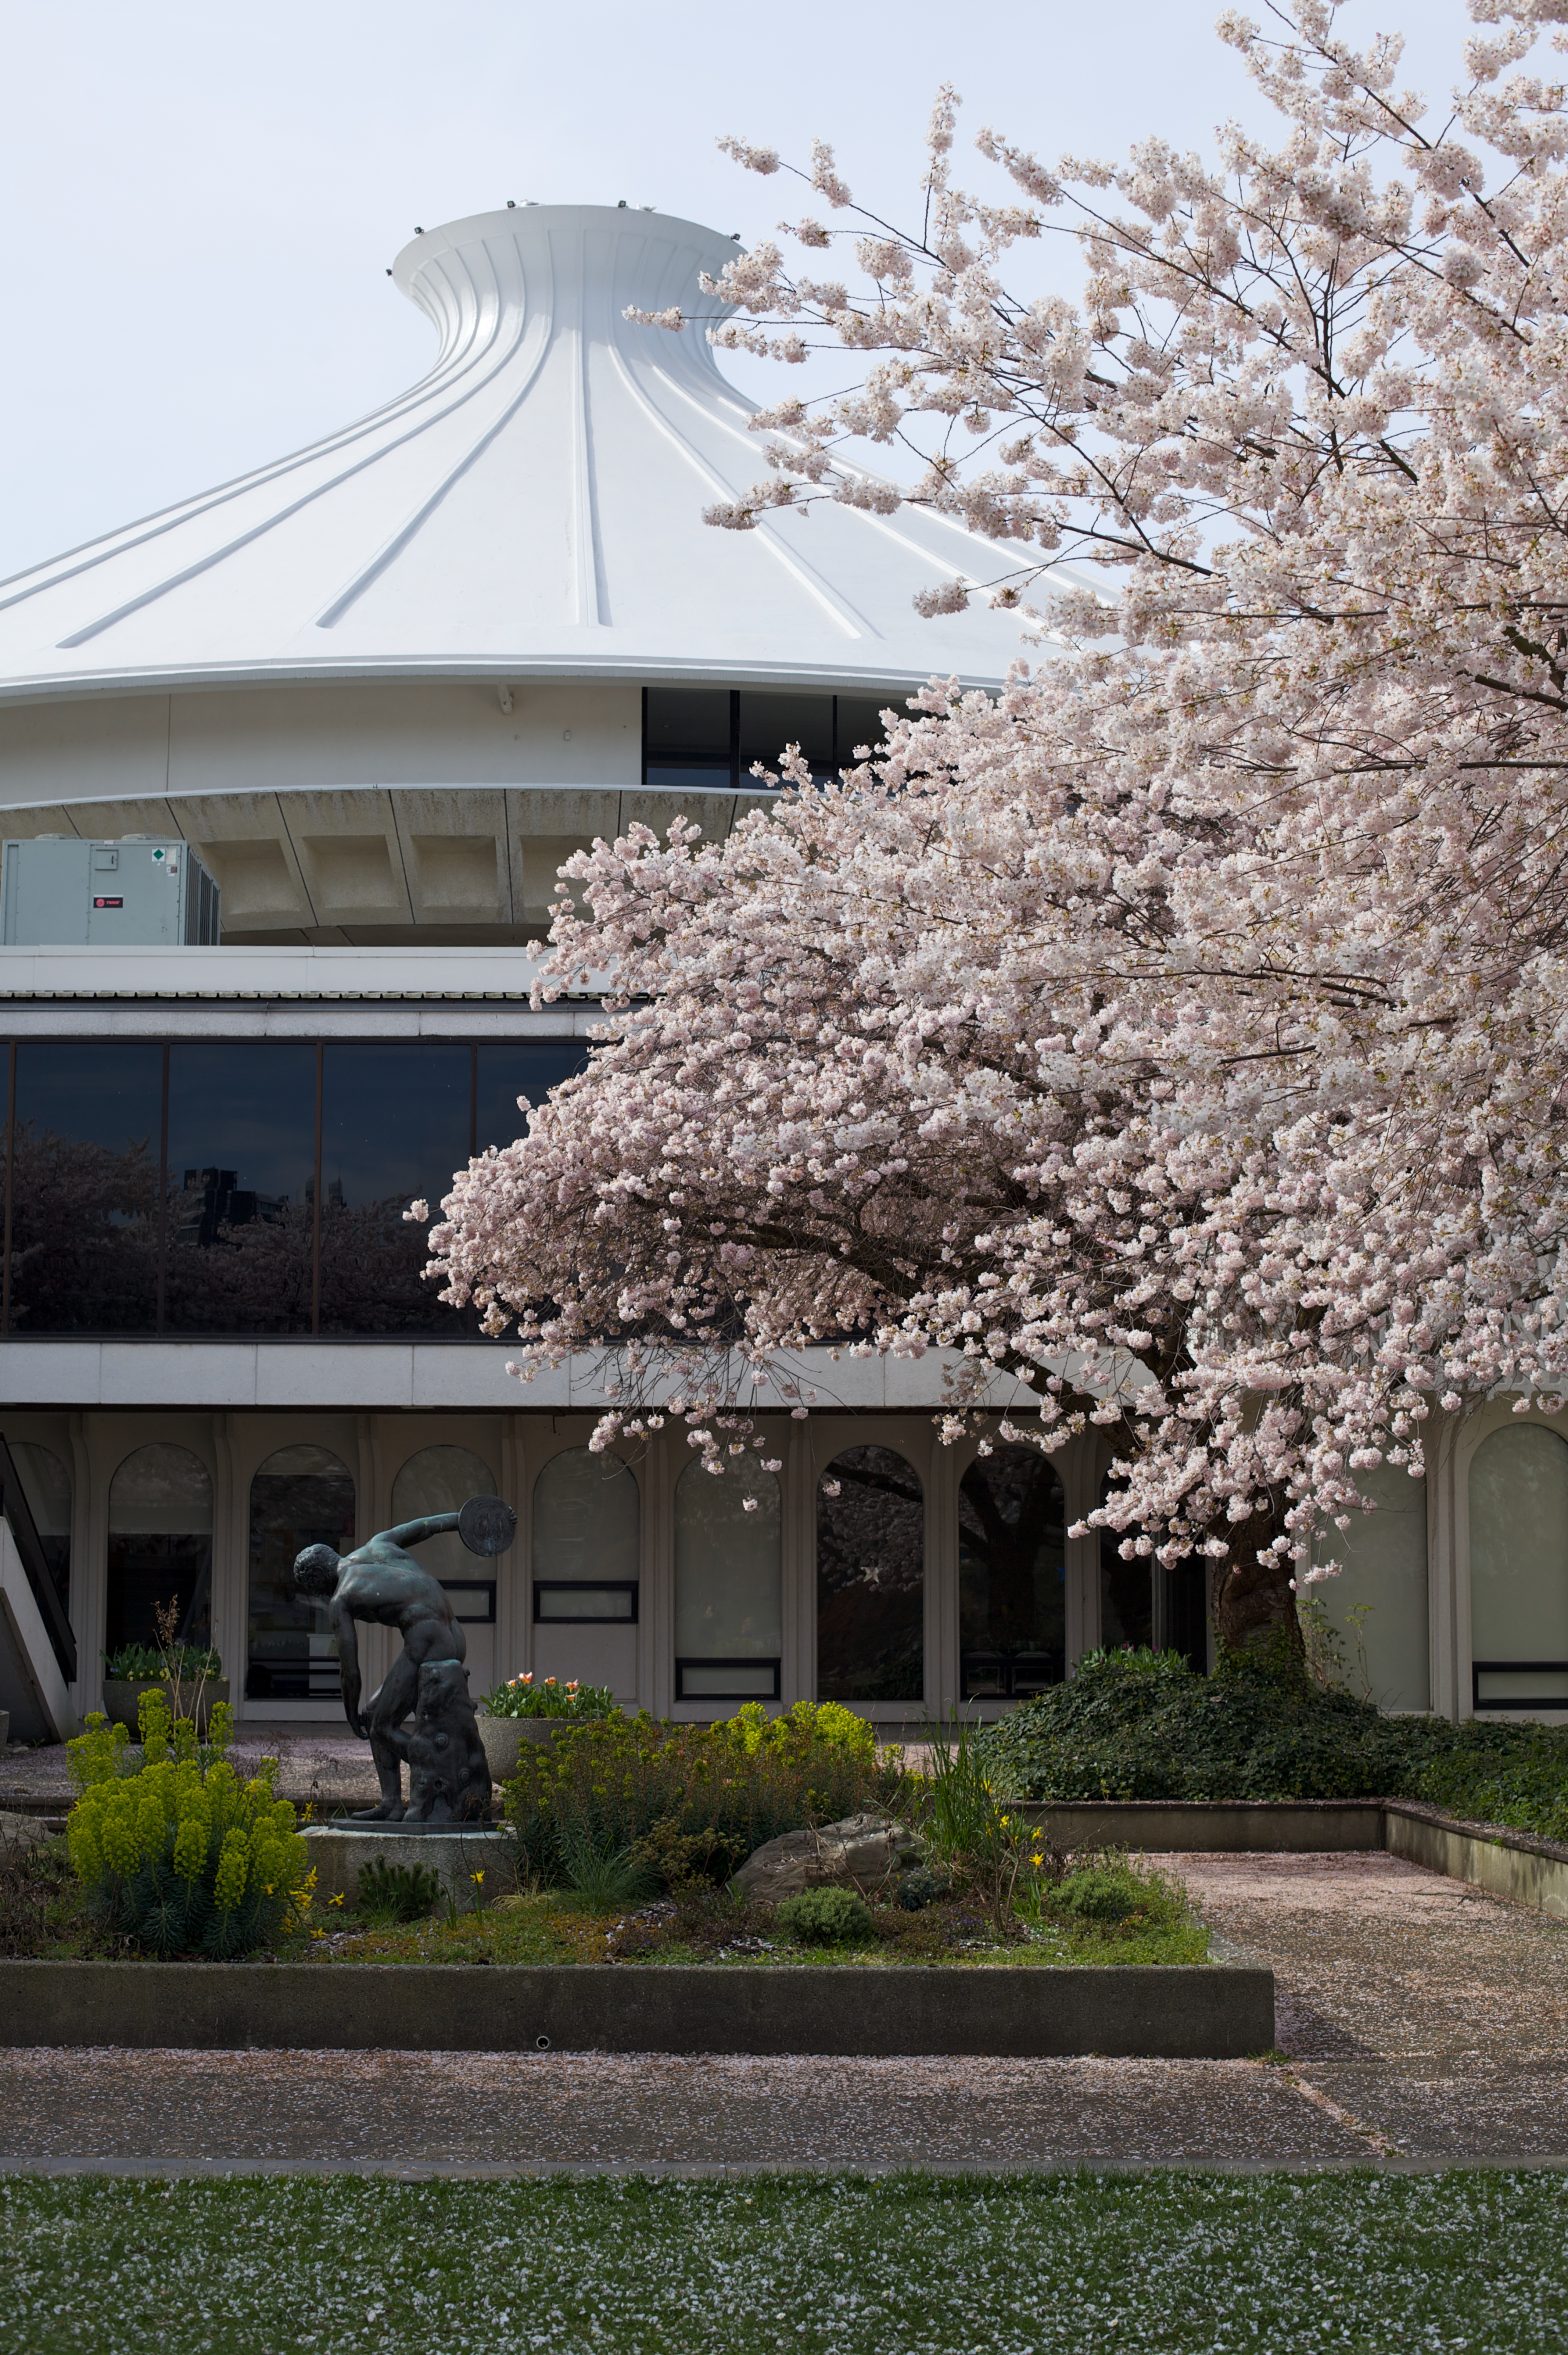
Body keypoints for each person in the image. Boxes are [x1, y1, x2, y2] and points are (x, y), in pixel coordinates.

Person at [293, 1513, 473, 1821]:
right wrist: (463, 1518)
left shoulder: (341, 1598)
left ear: (317, 1583)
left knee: (378, 1726)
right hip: (455, 1637)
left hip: (429, 1644)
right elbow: (425, 1526)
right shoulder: (378, 1545)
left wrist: (349, 1712)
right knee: (376, 1714)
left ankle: (435, 1766)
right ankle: (391, 1804)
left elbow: (349, 1670)